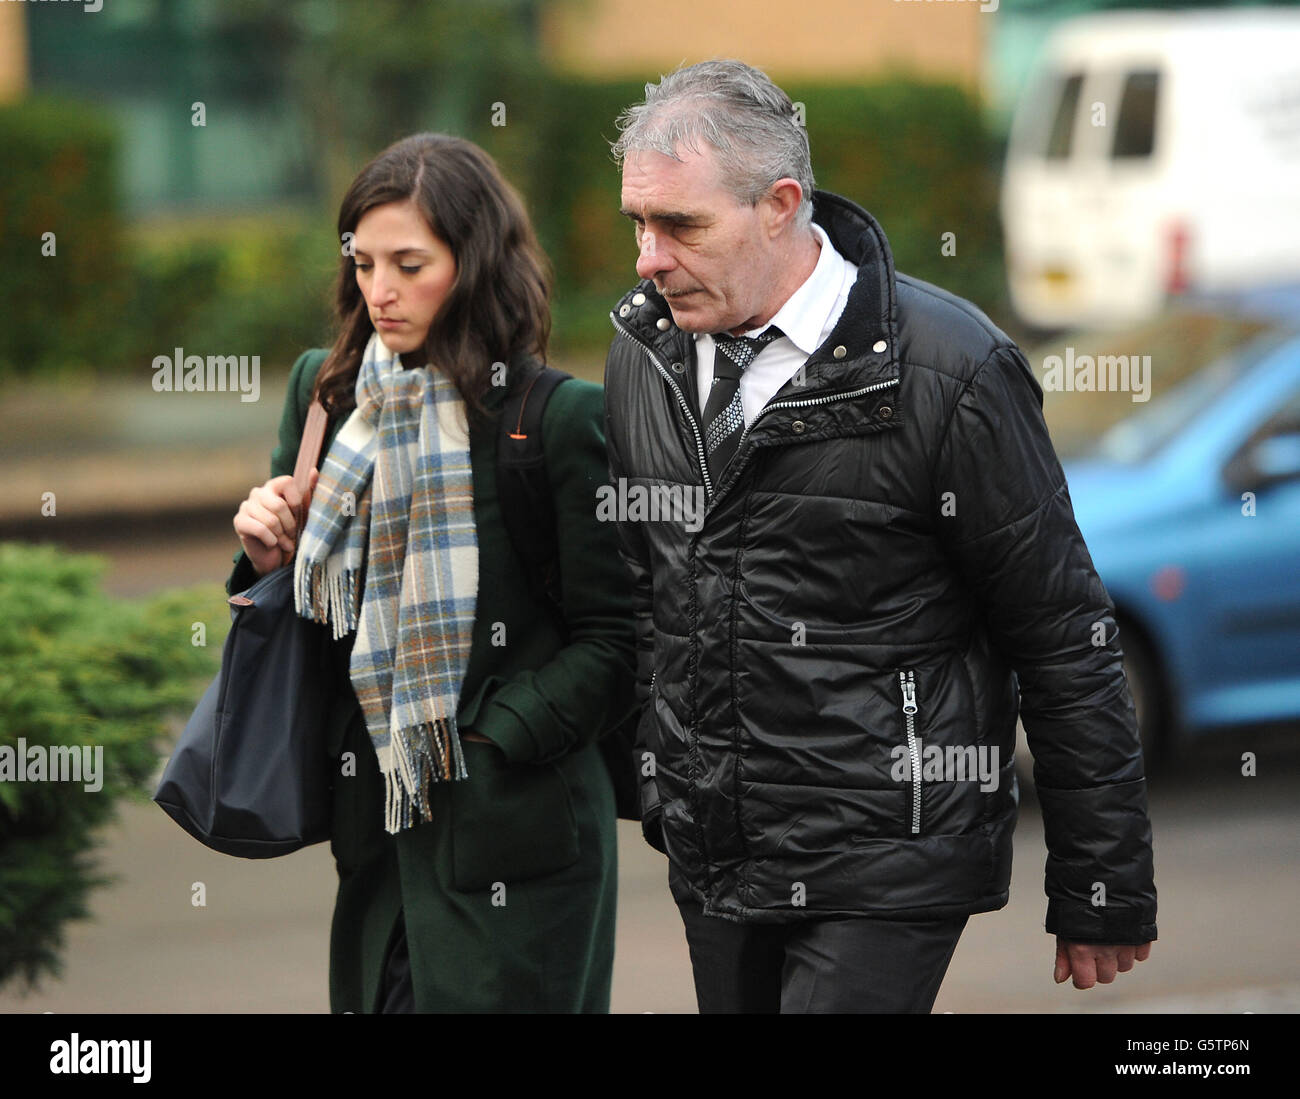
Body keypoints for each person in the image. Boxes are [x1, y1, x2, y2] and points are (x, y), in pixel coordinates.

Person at [602, 60, 1157, 1013]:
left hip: (888, 853)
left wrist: (1102, 880)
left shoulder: (953, 368)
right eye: (638, 225)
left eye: (680, 225)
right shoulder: (643, 352)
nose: (648, 256)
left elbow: (1063, 631)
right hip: (717, 849)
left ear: (780, 204)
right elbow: (650, 594)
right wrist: (664, 784)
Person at [228, 133, 636, 1013]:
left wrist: (492, 742)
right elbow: (306, 608)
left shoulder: (557, 421)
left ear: (476, 263)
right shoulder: (327, 394)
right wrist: (266, 553)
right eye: (365, 262)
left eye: (411, 264)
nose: (382, 289)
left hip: (520, 846)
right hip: (378, 841)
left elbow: (620, 642)